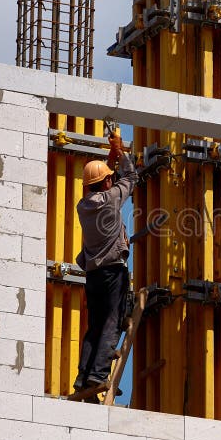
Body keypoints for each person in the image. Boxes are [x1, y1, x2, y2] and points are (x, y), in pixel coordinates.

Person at [72, 133, 138, 400]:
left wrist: (110, 158)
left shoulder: (82, 206)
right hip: (113, 272)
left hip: (93, 275)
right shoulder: (112, 199)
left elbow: (101, 183)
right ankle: (98, 374)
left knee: (95, 326)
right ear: (107, 181)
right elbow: (131, 178)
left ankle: (83, 377)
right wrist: (121, 152)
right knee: (111, 323)